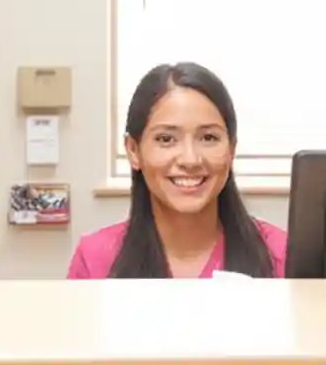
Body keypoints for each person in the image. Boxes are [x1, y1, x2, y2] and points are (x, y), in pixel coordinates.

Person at [67, 62, 287, 279]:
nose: (190, 160)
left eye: (209, 137)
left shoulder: (279, 254)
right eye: (166, 139)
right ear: (133, 150)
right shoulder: (95, 259)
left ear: (232, 149)